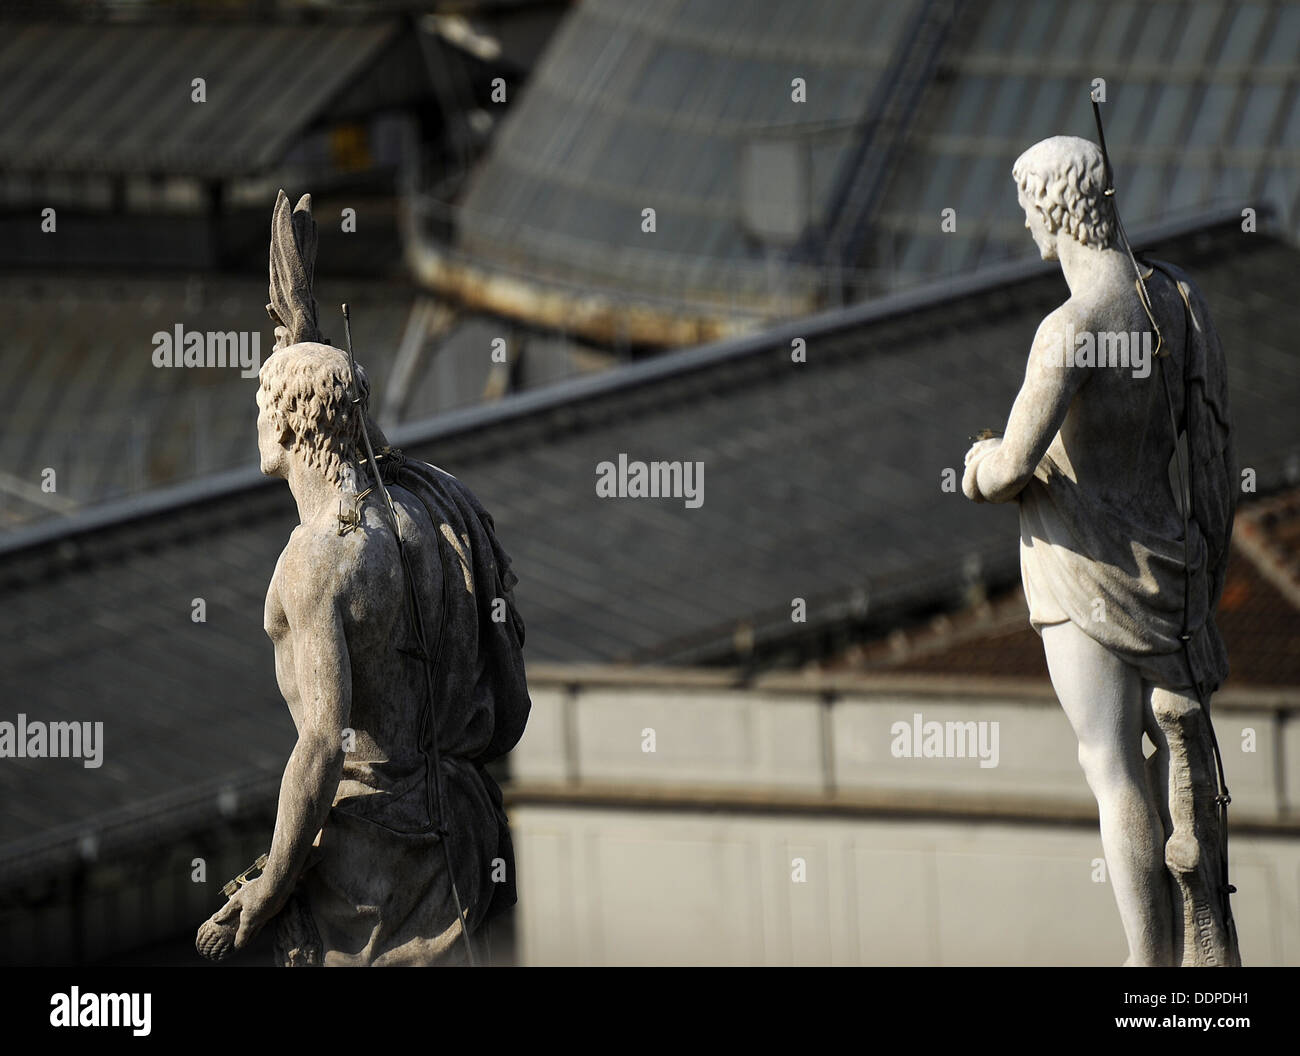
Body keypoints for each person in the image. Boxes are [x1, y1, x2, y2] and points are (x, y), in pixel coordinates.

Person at [196, 192, 530, 965]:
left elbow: (321, 742)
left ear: (285, 423)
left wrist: (270, 885)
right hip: (453, 837)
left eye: (262, 401)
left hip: (372, 879)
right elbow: (367, 444)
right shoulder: (424, 504)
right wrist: (303, 333)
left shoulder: (316, 563)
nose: (256, 417)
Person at [962, 137, 1238, 966]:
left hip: (1082, 571)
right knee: (1173, 763)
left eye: (1025, 202)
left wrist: (976, 468)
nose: (1021, 219)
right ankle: (1195, 948)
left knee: (1111, 765)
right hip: (1168, 568)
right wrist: (1207, 571)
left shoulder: (1071, 328)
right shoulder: (1176, 301)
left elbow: (1012, 466)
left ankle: (1146, 965)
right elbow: (1213, 456)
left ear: (1053, 207)